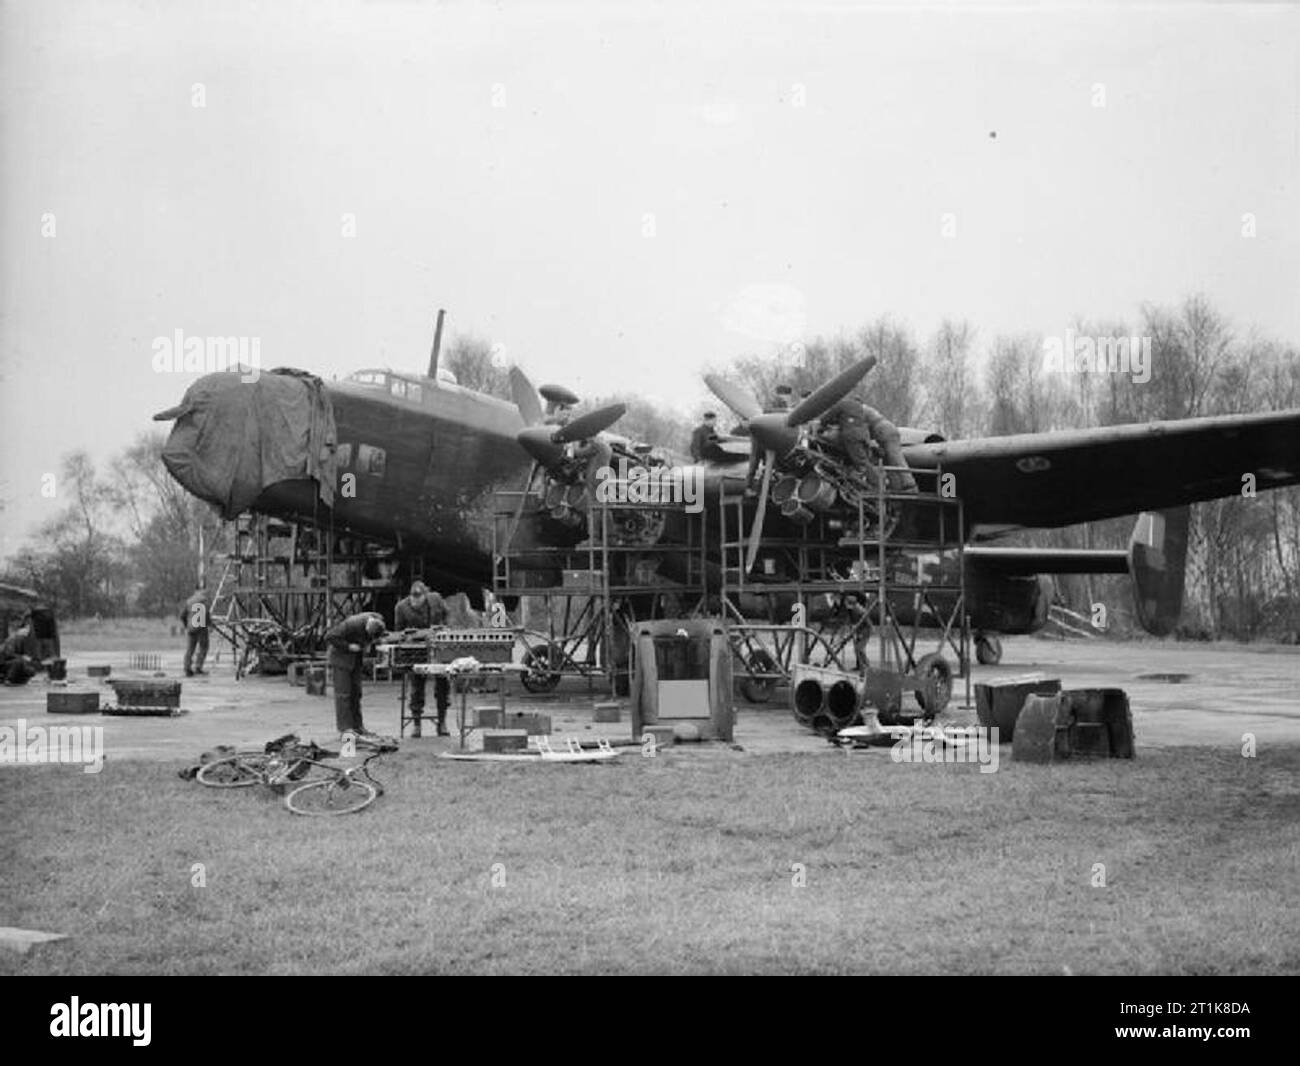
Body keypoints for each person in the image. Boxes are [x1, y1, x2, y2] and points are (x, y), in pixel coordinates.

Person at [394, 581, 450, 737]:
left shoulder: (436, 599)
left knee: (443, 684)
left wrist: (443, 627)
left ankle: (442, 721)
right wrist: (410, 636)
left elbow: (446, 614)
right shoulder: (401, 607)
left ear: (425, 597)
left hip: (438, 647)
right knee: (417, 685)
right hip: (416, 650)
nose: (417, 604)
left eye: (420, 602)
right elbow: (398, 633)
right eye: (414, 602)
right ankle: (416, 723)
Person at [325, 611, 387, 739]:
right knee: (343, 695)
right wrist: (348, 646)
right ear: (367, 627)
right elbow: (330, 636)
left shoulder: (378, 620)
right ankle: (346, 730)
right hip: (341, 659)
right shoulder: (351, 624)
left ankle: (358, 727)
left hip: (355, 661)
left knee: (356, 694)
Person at [180, 585, 211, 677]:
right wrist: (209, 624)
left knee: (190, 649)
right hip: (201, 627)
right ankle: (198, 667)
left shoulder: (189, 601)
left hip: (191, 628)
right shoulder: (204, 600)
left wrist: (187, 625)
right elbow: (206, 614)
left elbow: (182, 615)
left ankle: (187, 668)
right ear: (201, 590)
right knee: (203, 647)